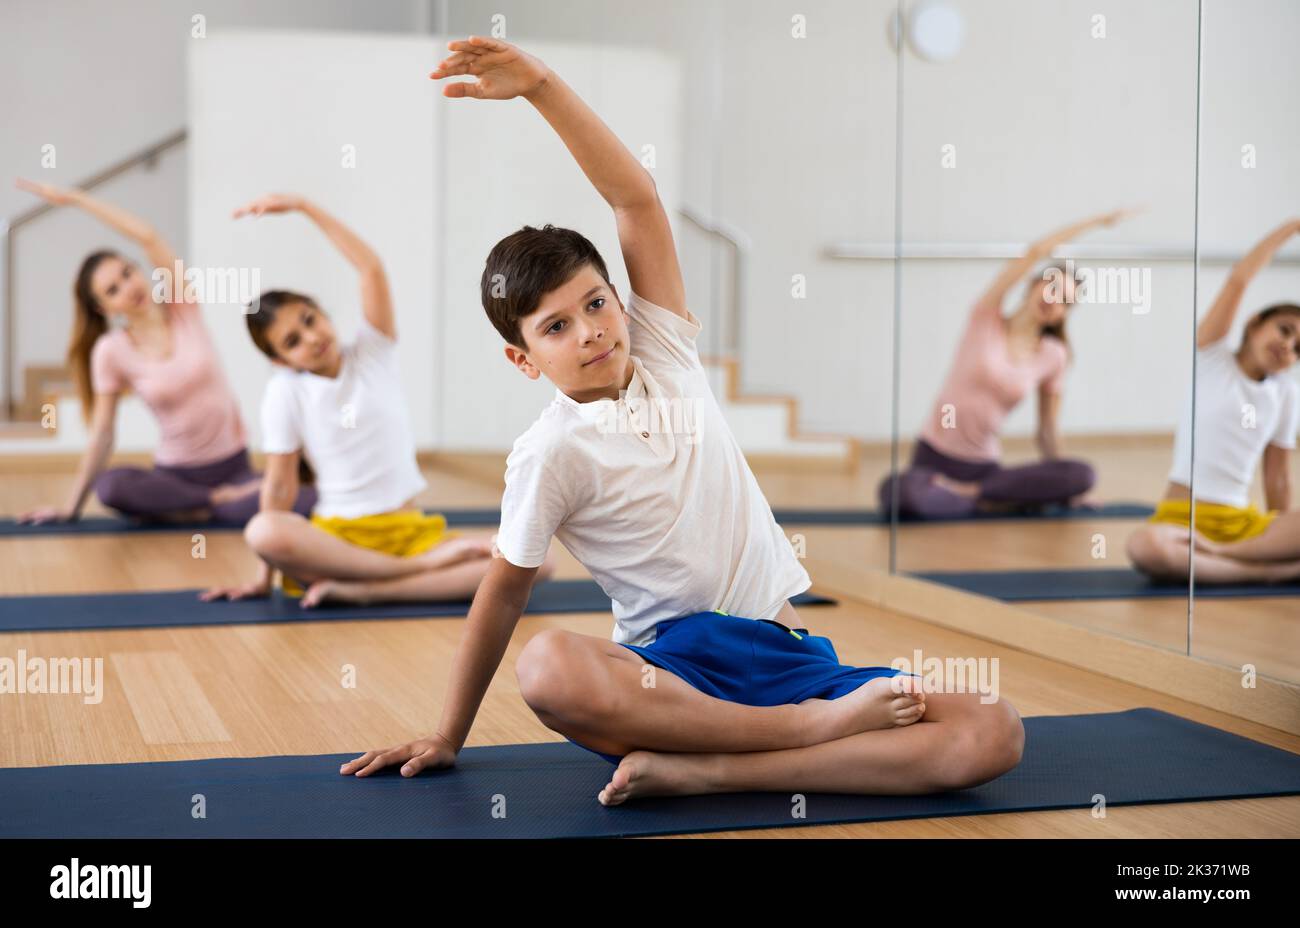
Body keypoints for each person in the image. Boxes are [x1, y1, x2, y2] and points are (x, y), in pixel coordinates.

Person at [340, 37, 1024, 804]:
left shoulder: (663, 350)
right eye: (555, 328)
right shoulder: (550, 451)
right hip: (676, 680)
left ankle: (721, 773)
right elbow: (502, 594)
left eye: (596, 304)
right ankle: (801, 736)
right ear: (524, 360)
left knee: (994, 727)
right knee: (549, 667)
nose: (590, 331)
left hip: (789, 654)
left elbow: (634, 200)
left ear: (619, 302)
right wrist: (447, 734)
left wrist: (542, 86)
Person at [201, 195, 536, 608]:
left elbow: (369, 267)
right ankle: (415, 573)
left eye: (309, 319)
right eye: (292, 341)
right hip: (341, 541)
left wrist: (305, 207)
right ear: (279, 360)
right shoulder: (285, 392)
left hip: (410, 532)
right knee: (264, 531)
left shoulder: (372, 352)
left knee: (537, 564)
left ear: (320, 312)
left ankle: (372, 590)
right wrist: (262, 576)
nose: (311, 337)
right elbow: (280, 484)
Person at [12, 179, 314, 527]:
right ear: (105, 308)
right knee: (111, 486)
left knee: (309, 499)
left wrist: (77, 199)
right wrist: (71, 507)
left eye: (128, 272)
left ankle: (217, 506)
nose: (129, 287)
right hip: (175, 479)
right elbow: (103, 433)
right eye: (113, 289)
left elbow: (148, 236)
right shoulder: (111, 351)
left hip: (234, 469)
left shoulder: (182, 306)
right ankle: (211, 503)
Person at [877, 212, 1135, 519]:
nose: (1055, 301)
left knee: (1082, 475)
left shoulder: (1054, 355)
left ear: (1064, 315)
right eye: (1052, 288)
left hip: (985, 470)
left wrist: (1070, 488)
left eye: (1066, 301)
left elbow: (1048, 430)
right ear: (1033, 285)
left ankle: (970, 496)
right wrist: (1097, 222)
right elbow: (1036, 251)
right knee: (900, 493)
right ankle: (987, 501)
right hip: (933, 460)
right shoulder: (985, 317)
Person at [1127, 219, 1300, 583]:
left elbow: (1278, 477)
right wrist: (1293, 227)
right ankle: (1261, 572)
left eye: (1298, 348)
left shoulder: (1285, 392)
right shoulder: (1211, 357)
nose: (1288, 345)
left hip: (1240, 525)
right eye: (1285, 329)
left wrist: (1279, 534)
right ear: (1254, 323)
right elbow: (1239, 278)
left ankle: (1232, 558)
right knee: (1145, 547)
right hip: (1182, 520)